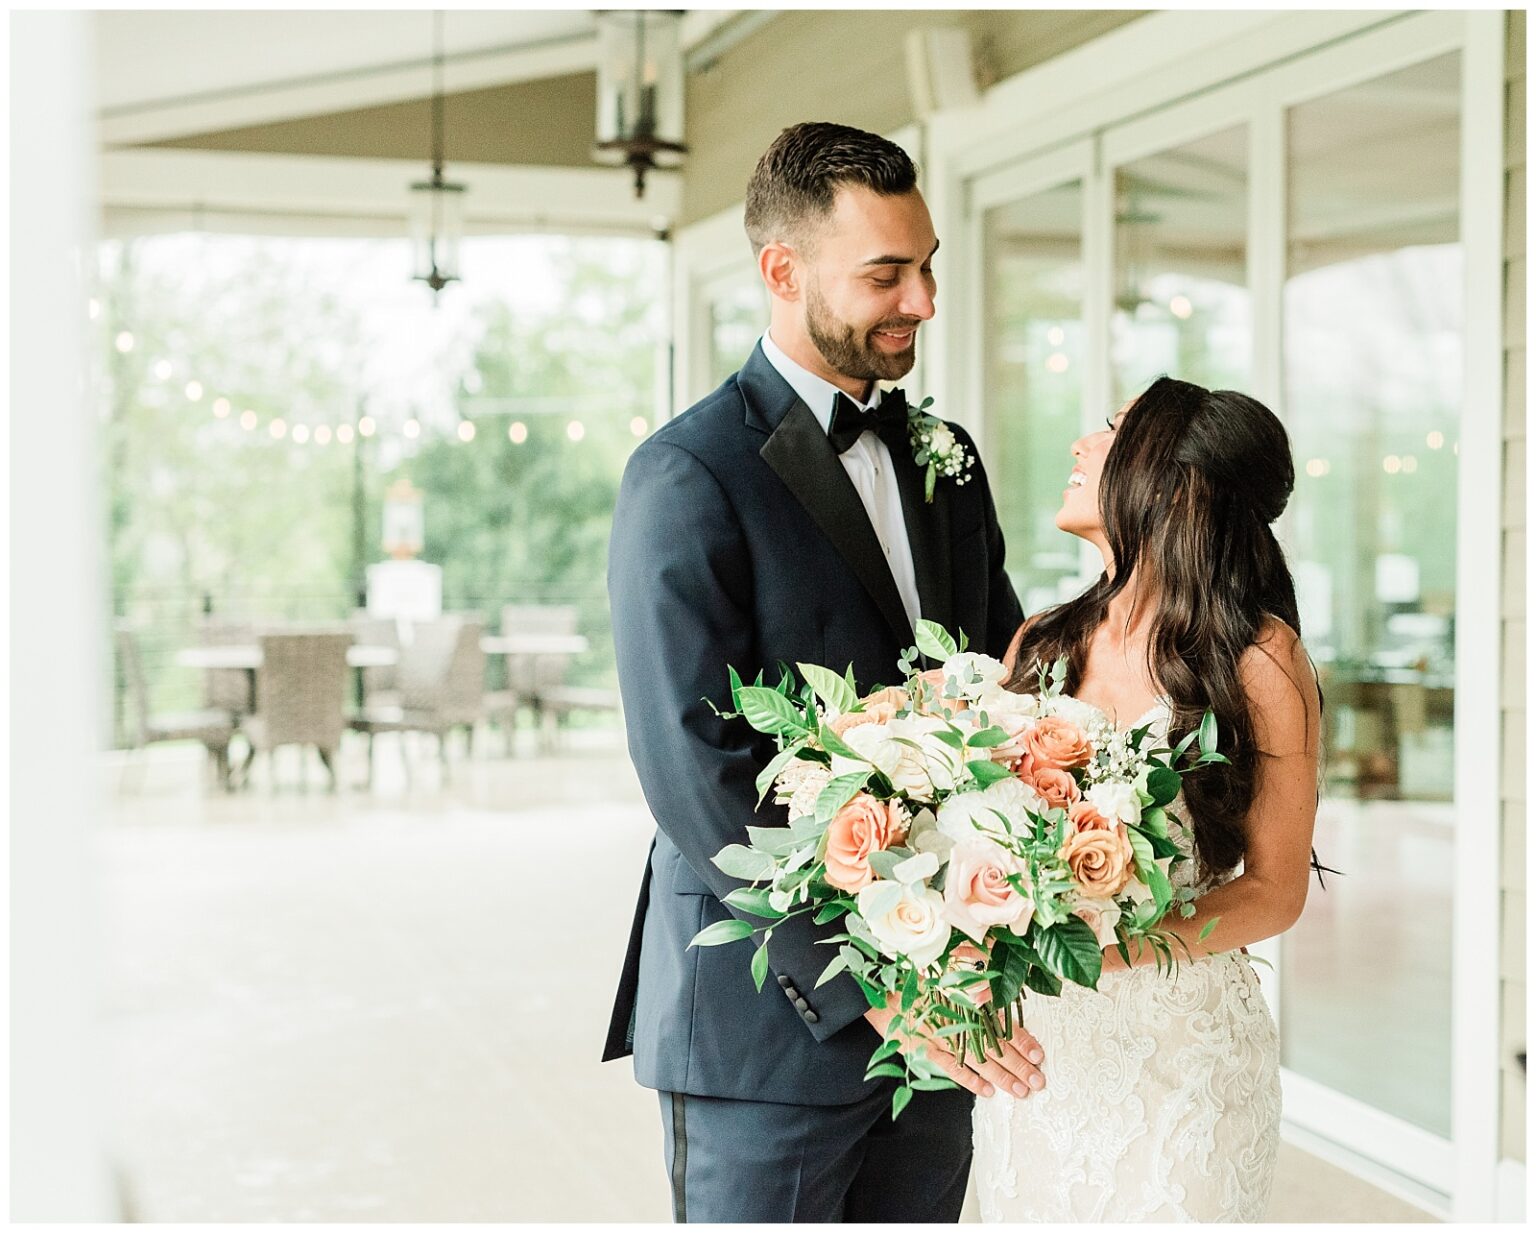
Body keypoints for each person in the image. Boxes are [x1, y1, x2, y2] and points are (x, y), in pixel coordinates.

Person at [603, 121, 1037, 1223]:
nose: (921, 301)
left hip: (941, 1009)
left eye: (927, 266)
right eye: (885, 274)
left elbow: (999, 688)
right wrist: (875, 982)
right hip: (768, 1022)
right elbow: (694, 766)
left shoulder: (948, 461)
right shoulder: (686, 472)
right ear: (782, 270)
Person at [971, 376, 1321, 1222]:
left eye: (1112, 431)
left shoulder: (1259, 661)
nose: (1082, 445)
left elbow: (1275, 891)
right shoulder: (1040, 643)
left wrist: (1103, 949)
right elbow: (977, 834)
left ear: (1175, 485)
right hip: (1044, 1056)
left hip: (1184, 1062)